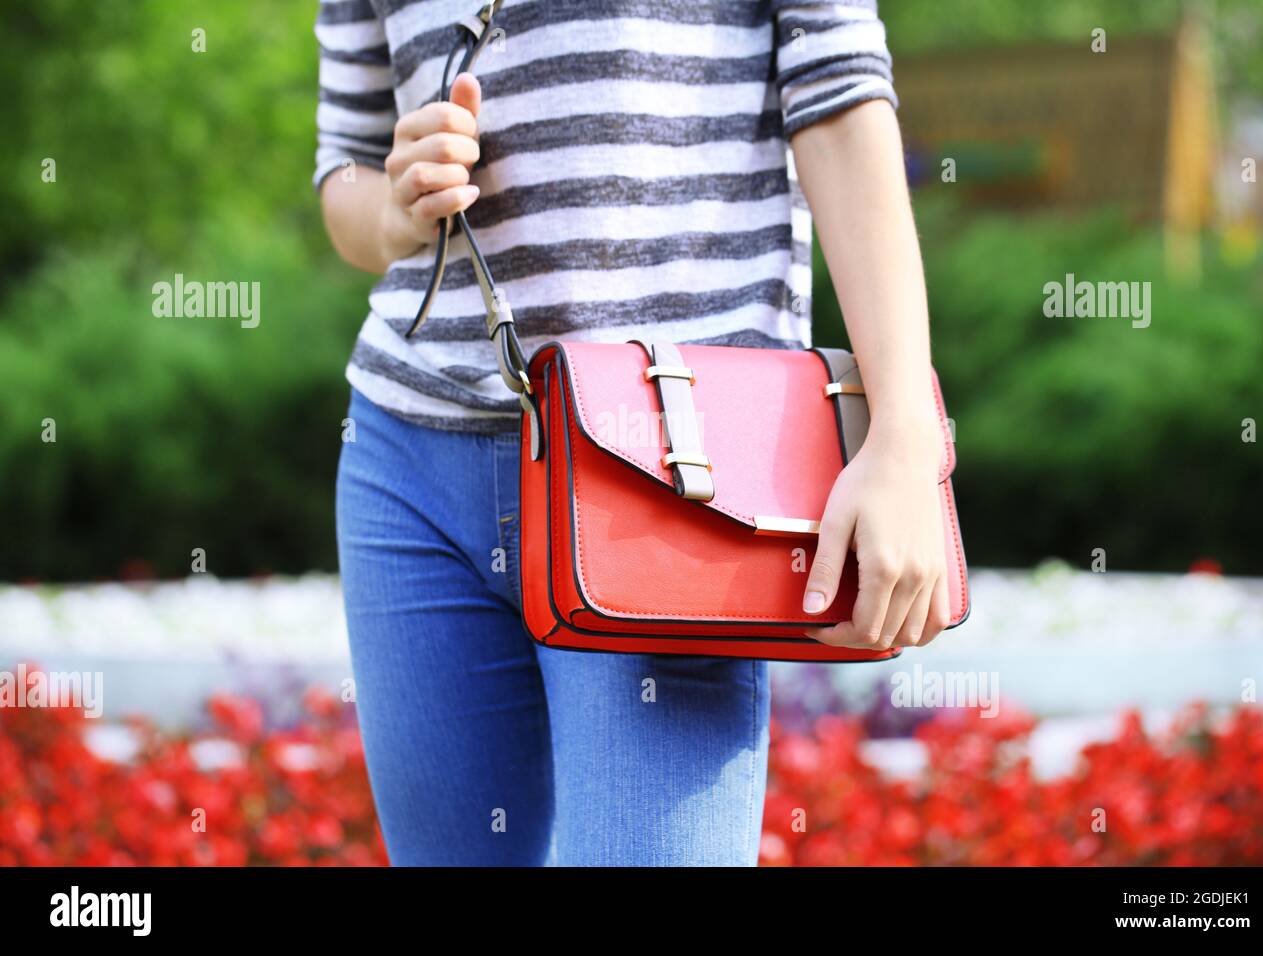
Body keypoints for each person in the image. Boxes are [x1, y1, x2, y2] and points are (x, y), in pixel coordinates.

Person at [316, 0, 950, 866]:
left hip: (668, 471)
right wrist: (395, 208)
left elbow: (839, 100)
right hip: (412, 466)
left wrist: (904, 431)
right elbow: (344, 169)